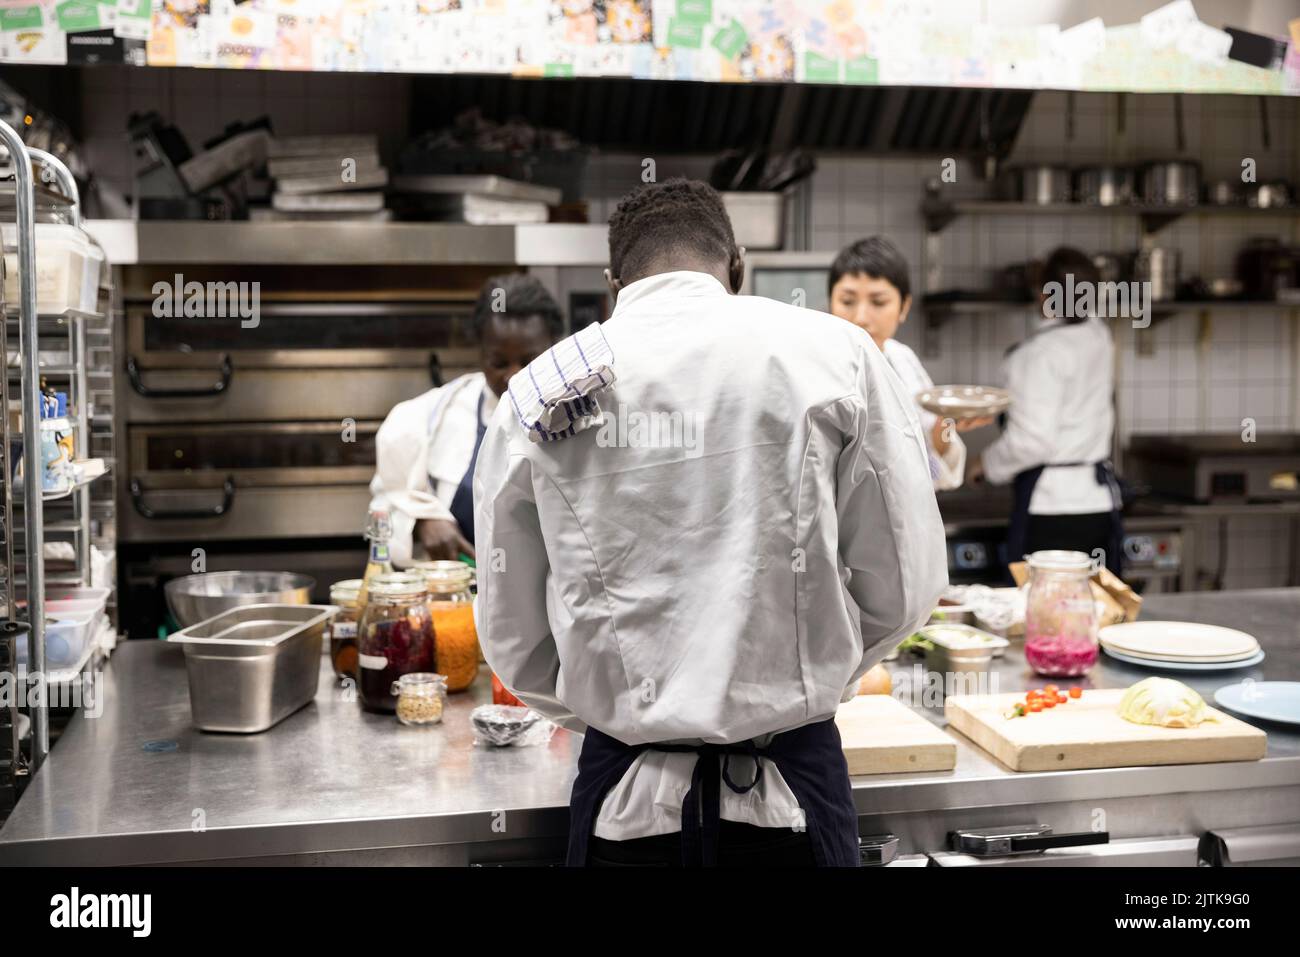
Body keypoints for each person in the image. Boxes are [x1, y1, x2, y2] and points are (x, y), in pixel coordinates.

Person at [474, 178, 947, 867]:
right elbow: (906, 584)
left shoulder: (539, 393)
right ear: (738, 267)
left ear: (613, 285)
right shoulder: (837, 354)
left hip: (623, 801)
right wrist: (804, 681)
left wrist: (633, 717)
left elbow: (513, 641)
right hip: (793, 789)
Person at [368, 273, 561, 566]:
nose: (513, 376)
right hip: (456, 592)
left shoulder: (583, 419)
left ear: (555, 348)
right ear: (480, 352)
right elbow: (382, 508)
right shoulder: (426, 418)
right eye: (499, 363)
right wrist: (419, 522)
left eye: (528, 362)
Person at [968, 246, 1123, 574]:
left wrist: (985, 463)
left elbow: (1032, 442)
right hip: (1097, 503)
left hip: (1052, 509)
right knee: (1093, 601)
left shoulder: (1037, 355)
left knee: (1040, 602)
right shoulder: (1099, 337)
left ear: (1042, 295)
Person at [827, 236, 992, 490]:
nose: (861, 317)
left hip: (906, 510)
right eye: (847, 301)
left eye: (878, 302)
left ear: (904, 307)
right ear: (830, 302)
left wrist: (947, 423)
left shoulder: (903, 359)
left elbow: (932, 465)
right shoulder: (818, 367)